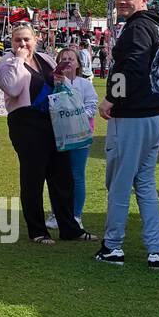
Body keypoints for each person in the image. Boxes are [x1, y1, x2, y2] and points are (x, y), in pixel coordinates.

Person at [98, 0, 159, 269]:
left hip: (134, 116)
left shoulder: (138, 27)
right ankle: (155, 250)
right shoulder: (155, 26)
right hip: (155, 114)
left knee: (119, 184)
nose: (121, 1)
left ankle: (113, 246)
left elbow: (132, 66)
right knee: (145, 183)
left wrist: (110, 99)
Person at [0, 25, 95, 244]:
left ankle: (70, 228)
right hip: (26, 123)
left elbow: (60, 82)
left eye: (27, 40)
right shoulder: (7, 62)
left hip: (52, 121)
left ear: (36, 39)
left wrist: (60, 78)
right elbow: (11, 88)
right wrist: (19, 60)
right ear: (11, 42)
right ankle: (38, 231)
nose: (22, 44)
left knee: (62, 175)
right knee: (33, 176)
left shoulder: (44, 58)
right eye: (17, 40)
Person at [56, 46, 98, 229]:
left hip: (80, 135)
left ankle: (76, 214)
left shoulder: (85, 84)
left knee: (77, 175)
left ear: (78, 64)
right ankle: (60, 214)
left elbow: (92, 105)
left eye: (70, 59)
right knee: (58, 176)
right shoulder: (52, 83)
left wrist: (78, 116)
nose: (67, 62)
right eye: (63, 59)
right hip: (59, 136)